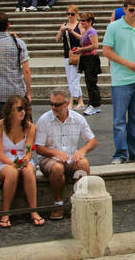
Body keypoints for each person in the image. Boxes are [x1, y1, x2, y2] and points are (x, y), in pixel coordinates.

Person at [102, 0, 135, 163]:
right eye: (131, 10)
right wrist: (126, 63)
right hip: (121, 80)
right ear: (124, 9)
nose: (134, 13)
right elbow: (106, 51)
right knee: (119, 120)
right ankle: (120, 154)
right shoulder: (113, 27)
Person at [34, 90, 97, 219]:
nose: (53, 107)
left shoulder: (77, 118)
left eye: (57, 105)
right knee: (57, 168)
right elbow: (38, 148)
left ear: (67, 103)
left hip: (70, 157)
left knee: (83, 164)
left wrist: (82, 151)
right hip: (49, 159)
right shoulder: (44, 120)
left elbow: (92, 141)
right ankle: (58, 202)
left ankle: (82, 199)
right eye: (51, 104)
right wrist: (55, 152)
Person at [0, 12, 32, 133]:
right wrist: (29, 92)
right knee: (19, 127)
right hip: (16, 90)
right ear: (8, 25)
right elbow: (26, 70)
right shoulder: (18, 43)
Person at [57, 7, 85, 109]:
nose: (70, 16)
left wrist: (72, 32)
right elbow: (57, 39)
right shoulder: (64, 25)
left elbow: (83, 38)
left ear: (76, 14)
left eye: (72, 14)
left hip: (78, 54)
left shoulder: (80, 25)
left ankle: (71, 101)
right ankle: (80, 101)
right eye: (68, 14)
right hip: (67, 54)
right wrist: (61, 31)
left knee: (74, 79)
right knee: (71, 79)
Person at [75, 11, 102, 115]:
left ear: (90, 21)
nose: (81, 22)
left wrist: (81, 49)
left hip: (91, 59)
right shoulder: (85, 31)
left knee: (91, 82)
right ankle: (94, 103)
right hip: (85, 58)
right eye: (81, 20)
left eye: (84, 21)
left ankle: (94, 104)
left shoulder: (91, 31)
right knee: (89, 82)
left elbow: (95, 45)